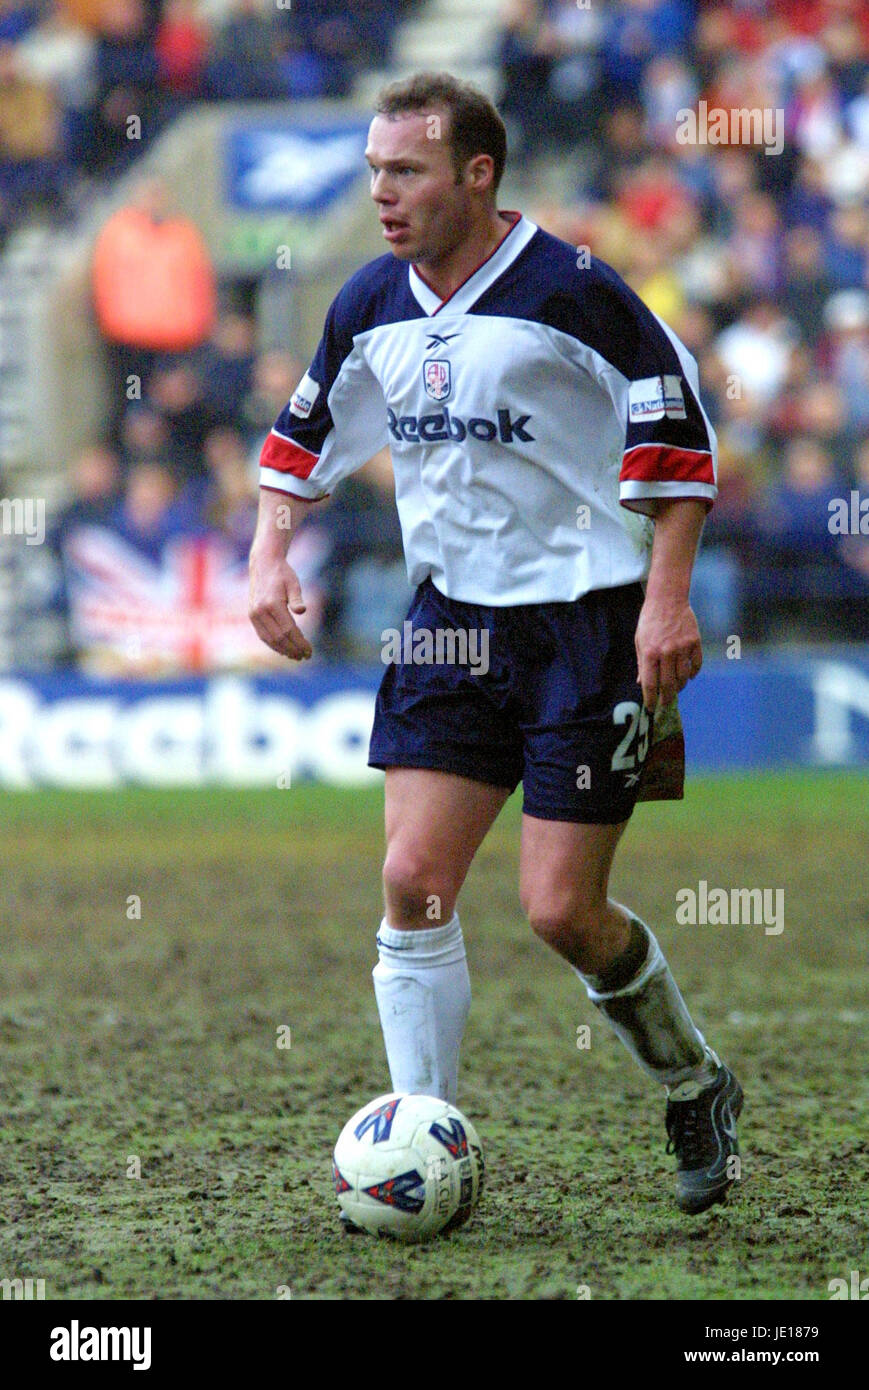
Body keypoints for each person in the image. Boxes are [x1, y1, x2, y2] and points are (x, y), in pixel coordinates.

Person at [248, 72, 743, 1218]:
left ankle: (692, 1078)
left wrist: (665, 605)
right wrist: (267, 558)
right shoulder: (370, 301)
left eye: (405, 170)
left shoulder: (573, 291)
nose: (381, 190)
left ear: (476, 174)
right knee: (412, 882)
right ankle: (420, 1139)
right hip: (446, 625)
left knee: (561, 911)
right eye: (373, 170)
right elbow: (299, 442)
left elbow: (678, 443)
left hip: (586, 621)